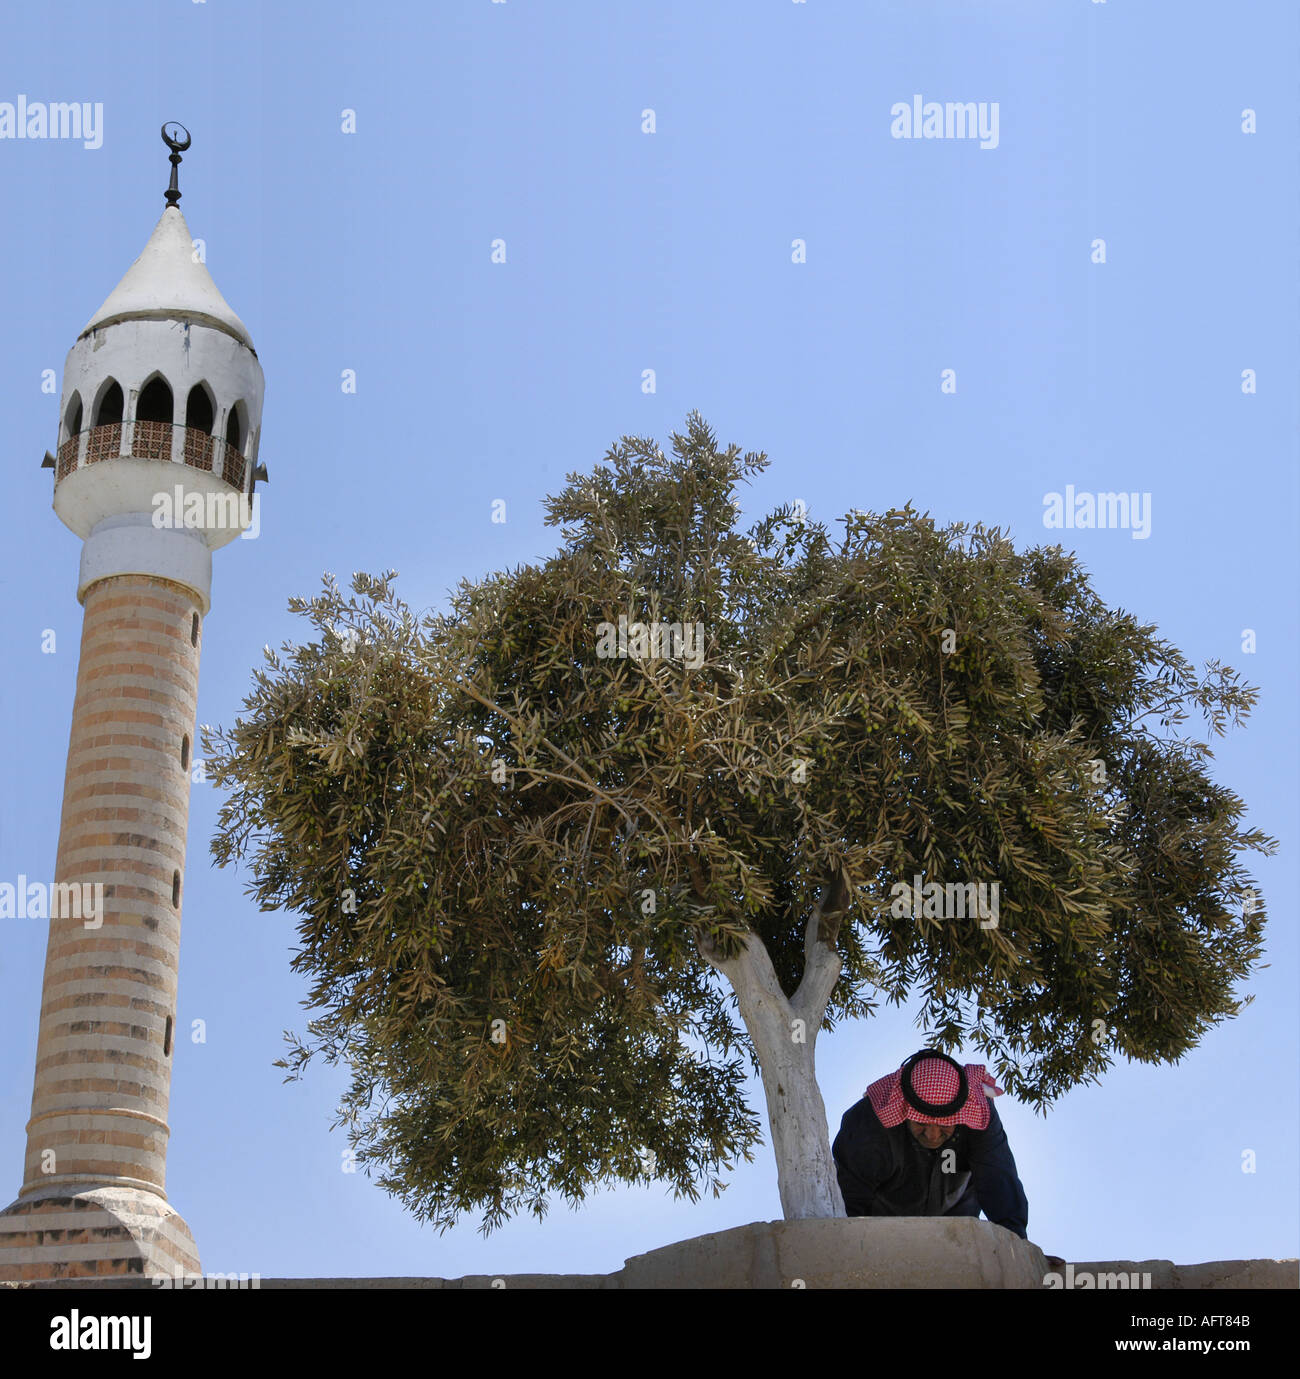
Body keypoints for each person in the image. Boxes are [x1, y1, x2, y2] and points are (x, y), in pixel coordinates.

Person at [832, 1048, 1029, 1239]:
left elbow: (999, 1180)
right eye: (920, 1123)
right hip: (881, 1230)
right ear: (903, 1109)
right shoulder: (870, 1120)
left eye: (945, 1125)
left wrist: (1018, 1247)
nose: (932, 1135)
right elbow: (849, 1194)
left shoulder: (980, 1115)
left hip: (955, 1233)